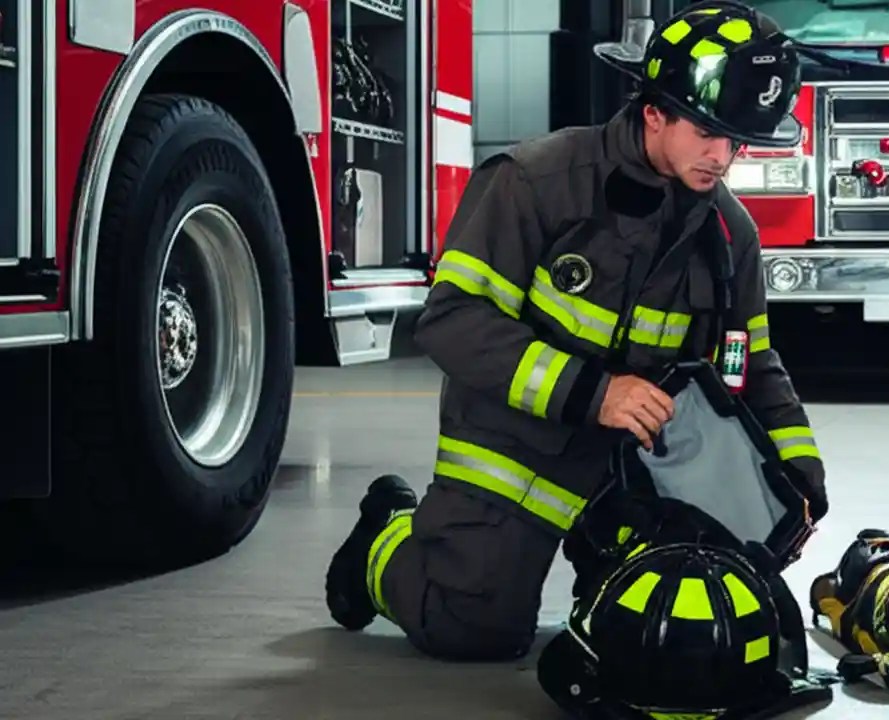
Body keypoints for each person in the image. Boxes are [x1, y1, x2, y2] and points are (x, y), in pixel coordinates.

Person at [324, 1, 828, 663]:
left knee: (672, 628)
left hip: (635, 467)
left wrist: (799, 477)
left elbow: (752, 364)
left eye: (737, 140)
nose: (724, 156)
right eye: (709, 131)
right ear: (654, 112)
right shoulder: (536, 182)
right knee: (473, 631)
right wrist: (596, 393)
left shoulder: (729, 233)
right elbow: (451, 320)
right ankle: (386, 539)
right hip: (515, 446)